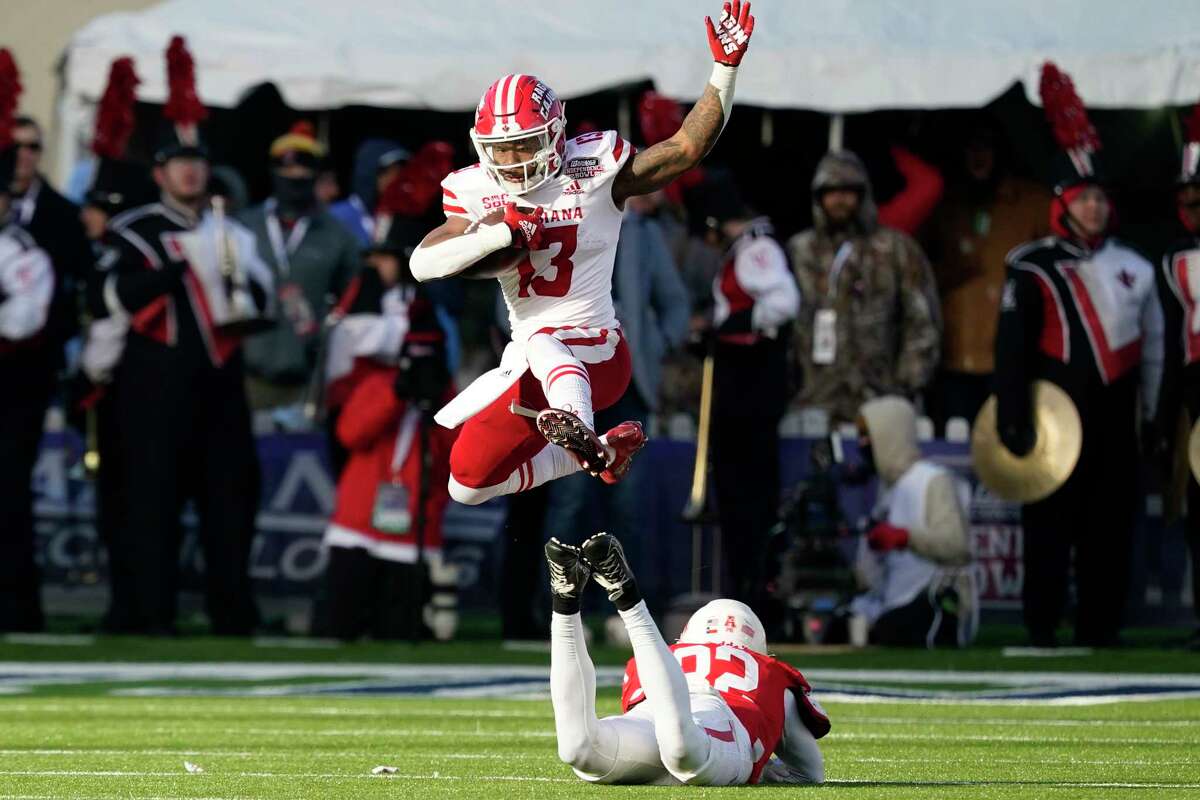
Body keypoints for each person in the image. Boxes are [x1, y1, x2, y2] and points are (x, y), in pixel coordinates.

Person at [410, 1, 757, 504]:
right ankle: (598, 455)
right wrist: (500, 233)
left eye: (525, 146)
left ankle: (577, 422)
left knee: (542, 342)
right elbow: (424, 264)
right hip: (527, 365)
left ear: (555, 134)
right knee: (465, 484)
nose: (512, 161)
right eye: (501, 150)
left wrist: (724, 71)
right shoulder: (476, 193)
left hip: (597, 351)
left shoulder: (593, 169)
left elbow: (684, 149)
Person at [83, 36, 273, 635]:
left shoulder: (233, 230)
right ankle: (147, 610)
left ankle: (231, 610)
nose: (191, 171)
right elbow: (109, 300)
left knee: (230, 499)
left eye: (198, 163)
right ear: (160, 172)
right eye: (178, 164)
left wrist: (241, 289)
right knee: (149, 501)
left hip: (219, 381)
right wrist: (174, 271)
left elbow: (261, 298)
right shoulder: (136, 229)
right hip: (151, 382)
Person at [995, 63, 1163, 648]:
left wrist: (1153, 418)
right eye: (1081, 198)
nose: (1093, 207)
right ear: (1060, 203)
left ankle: (1102, 626)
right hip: (1051, 417)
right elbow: (1010, 351)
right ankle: (1041, 628)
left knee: (1110, 528)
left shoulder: (1136, 265)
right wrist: (1011, 415)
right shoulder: (1030, 263)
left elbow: (1155, 351)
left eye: (1099, 198)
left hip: (1116, 419)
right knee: (1046, 527)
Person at [544, 532, 828, 785]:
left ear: (688, 636)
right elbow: (810, 772)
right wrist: (765, 769)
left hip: (656, 710)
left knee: (581, 751)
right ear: (756, 647)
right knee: (683, 752)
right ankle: (627, 598)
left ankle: (565, 602)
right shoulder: (770, 671)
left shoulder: (665, 656)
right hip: (711, 724)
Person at [543, 197, 690, 611]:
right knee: (569, 500)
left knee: (627, 503)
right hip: (572, 385)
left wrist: (652, 345)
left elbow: (675, 302)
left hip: (627, 384)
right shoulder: (556, 220)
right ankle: (556, 607)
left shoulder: (642, 232)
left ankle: (625, 609)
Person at [320, 218, 457, 641]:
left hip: (412, 509)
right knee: (338, 625)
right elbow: (351, 433)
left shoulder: (431, 330)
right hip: (362, 512)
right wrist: (396, 389)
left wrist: (434, 393)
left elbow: (453, 453)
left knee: (399, 628)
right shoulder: (373, 380)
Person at [695, 174, 800, 605]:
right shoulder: (745, 249)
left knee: (749, 491)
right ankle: (744, 586)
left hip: (752, 382)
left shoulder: (757, 249)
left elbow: (783, 303)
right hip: (739, 381)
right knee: (738, 492)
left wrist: (727, 328)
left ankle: (755, 590)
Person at [789, 149, 941, 424]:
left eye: (849, 190)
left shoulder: (894, 249)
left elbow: (922, 323)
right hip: (814, 397)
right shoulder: (800, 252)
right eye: (831, 191)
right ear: (818, 196)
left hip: (880, 396)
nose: (840, 199)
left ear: (863, 194)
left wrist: (906, 385)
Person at [925, 115, 1051, 431]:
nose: (978, 156)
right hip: (953, 361)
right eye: (970, 148)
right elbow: (919, 278)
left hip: (1013, 359)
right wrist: (952, 271)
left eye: (986, 147)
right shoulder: (944, 205)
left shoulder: (1034, 204)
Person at [239, 122, 361, 419]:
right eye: (286, 170)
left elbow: (352, 300)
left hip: (308, 381)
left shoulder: (337, 235)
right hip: (246, 376)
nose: (294, 177)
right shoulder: (243, 226)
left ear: (315, 175)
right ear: (273, 172)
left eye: (302, 171)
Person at [847, 396, 975, 646]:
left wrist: (906, 537)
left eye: (867, 434)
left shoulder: (932, 481)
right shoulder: (887, 491)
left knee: (892, 628)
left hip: (933, 597)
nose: (862, 443)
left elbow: (957, 546)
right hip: (891, 601)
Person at [0, 120, 56, 632]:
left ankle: (16, 609)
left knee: (7, 496)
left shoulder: (21, 251)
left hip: (10, 390)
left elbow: (23, 319)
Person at [1154, 104, 1200, 650]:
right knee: (1195, 512)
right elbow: (1169, 345)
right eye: (1184, 198)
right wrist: (1165, 414)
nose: (1190, 207)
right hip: (1193, 385)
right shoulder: (1172, 262)